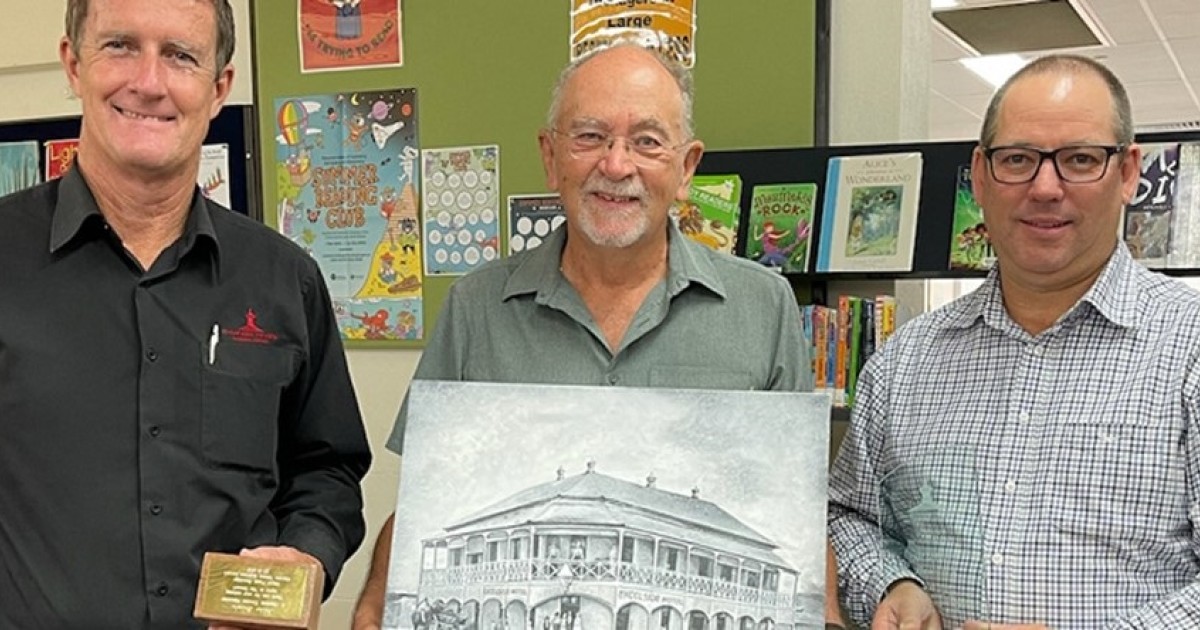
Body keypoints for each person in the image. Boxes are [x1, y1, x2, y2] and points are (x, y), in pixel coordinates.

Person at [351, 43, 839, 628]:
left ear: (686, 169)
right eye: (589, 137)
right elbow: (426, 502)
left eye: (648, 142)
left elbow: (797, 514)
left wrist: (827, 616)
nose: (616, 165)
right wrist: (377, 600)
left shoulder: (764, 307)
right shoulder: (475, 307)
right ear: (550, 156)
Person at [0, 1, 371, 627]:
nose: (149, 82)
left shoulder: (283, 278)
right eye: (120, 45)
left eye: (180, 55)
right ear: (73, 63)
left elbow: (326, 468)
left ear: (219, 86)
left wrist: (308, 554)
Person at [828, 53, 1200, 629]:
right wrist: (890, 583)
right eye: (1019, 159)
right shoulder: (905, 362)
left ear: (1128, 173)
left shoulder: (1189, 346)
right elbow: (851, 516)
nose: (1045, 188)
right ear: (979, 175)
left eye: (1079, 159)